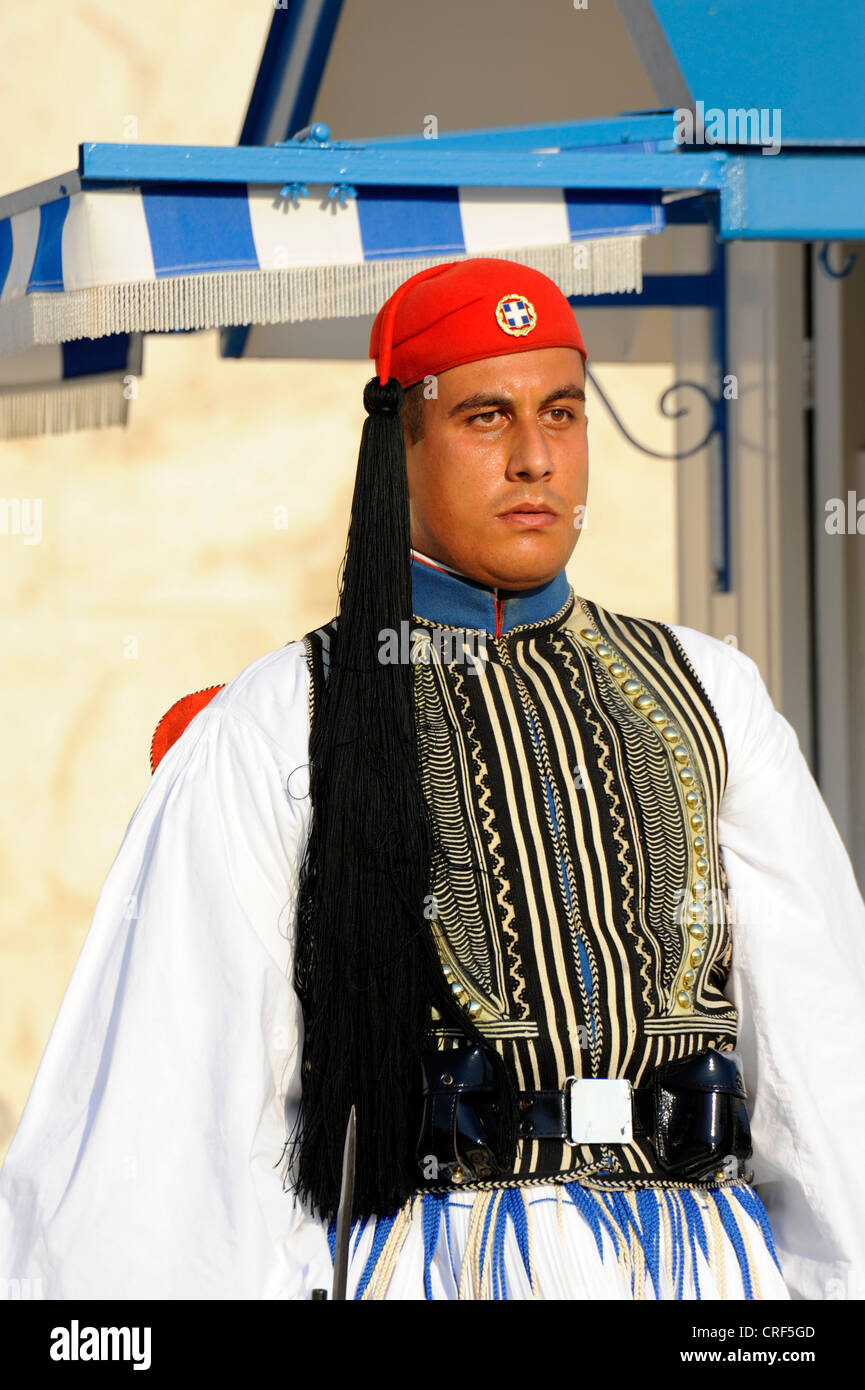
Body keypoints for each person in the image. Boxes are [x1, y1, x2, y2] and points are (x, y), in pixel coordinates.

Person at [1, 258, 863, 1302]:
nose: (535, 458)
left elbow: (824, 1054)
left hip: (704, 1277)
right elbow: (183, 1108)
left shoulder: (710, 694)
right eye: (484, 418)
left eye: (561, 413)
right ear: (398, 444)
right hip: (434, 1268)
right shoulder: (279, 722)